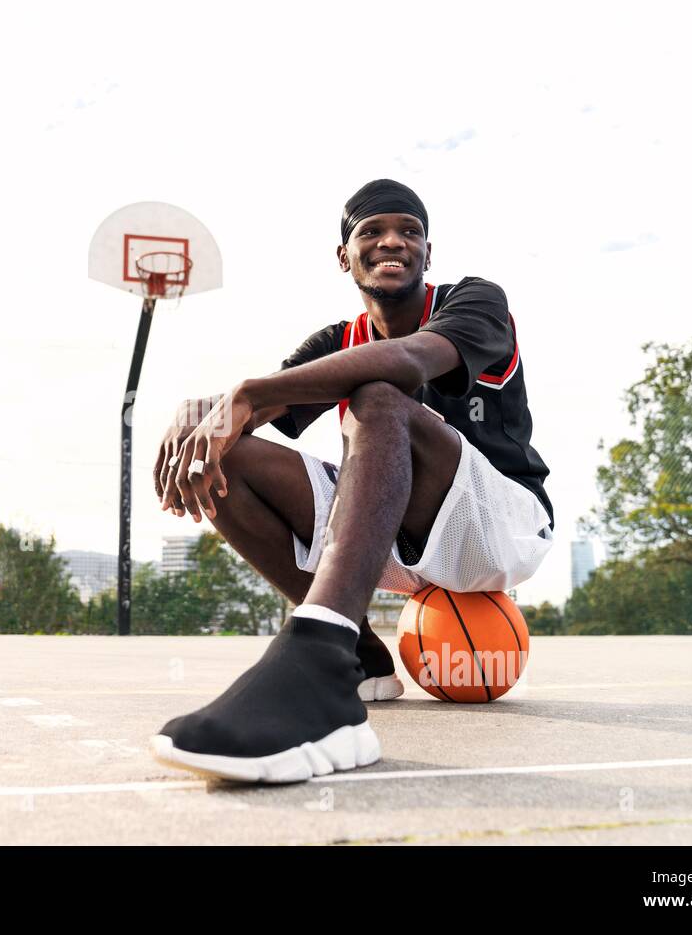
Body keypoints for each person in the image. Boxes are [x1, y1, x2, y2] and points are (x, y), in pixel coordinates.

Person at [148, 179, 554, 783]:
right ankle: (360, 655)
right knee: (228, 457)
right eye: (373, 231)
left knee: (380, 393)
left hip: (498, 527)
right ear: (346, 256)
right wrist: (197, 413)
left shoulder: (476, 303)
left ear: (427, 252)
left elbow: (410, 361)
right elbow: (251, 414)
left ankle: (317, 657)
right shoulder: (336, 340)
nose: (393, 241)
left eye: (409, 232)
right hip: (390, 535)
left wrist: (246, 393)